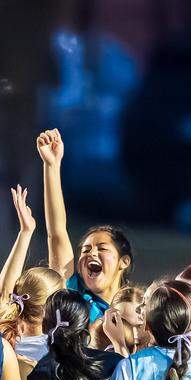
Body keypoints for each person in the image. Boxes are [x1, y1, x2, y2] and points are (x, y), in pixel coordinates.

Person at [37, 128, 134, 324]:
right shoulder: (74, 296)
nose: (92, 253)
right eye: (86, 250)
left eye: (102, 248)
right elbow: (56, 233)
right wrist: (52, 165)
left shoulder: (137, 308)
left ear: (124, 261)